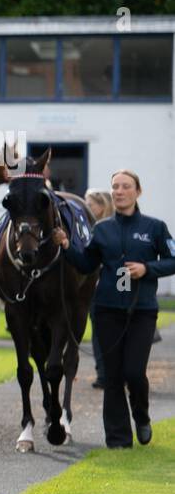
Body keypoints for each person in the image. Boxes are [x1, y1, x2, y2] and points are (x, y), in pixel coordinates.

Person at [55, 170, 175, 448]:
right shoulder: (102, 229)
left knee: (134, 372)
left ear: (138, 192)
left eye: (125, 187)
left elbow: (172, 260)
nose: (119, 191)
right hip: (107, 309)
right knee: (112, 376)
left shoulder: (155, 227)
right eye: (115, 187)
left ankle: (142, 417)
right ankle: (118, 438)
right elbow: (86, 263)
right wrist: (66, 245)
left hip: (142, 311)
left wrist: (148, 268)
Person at [84, 188, 116, 389]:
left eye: (90, 204)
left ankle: (115, 372)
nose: (86, 207)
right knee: (98, 332)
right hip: (95, 290)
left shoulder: (111, 229)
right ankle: (103, 373)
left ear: (102, 206)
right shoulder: (88, 228)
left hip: (115, 286)